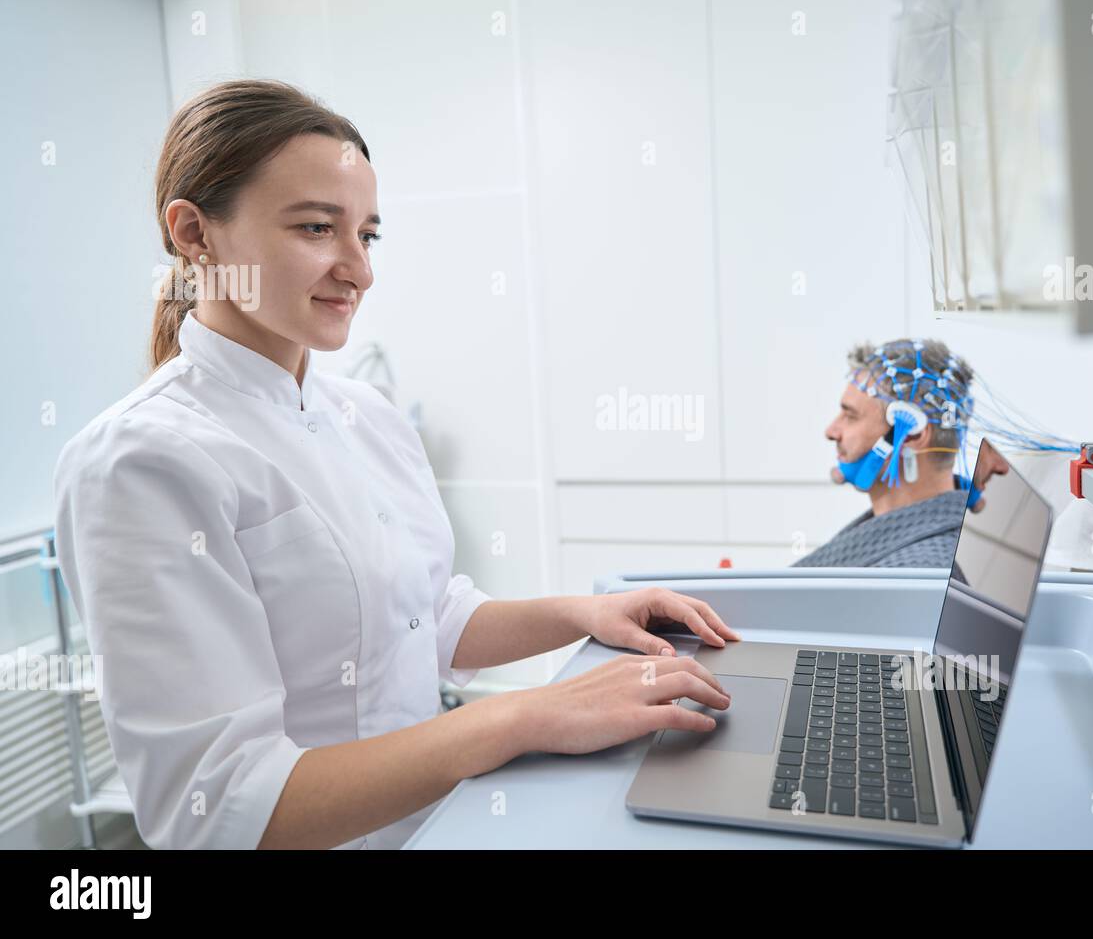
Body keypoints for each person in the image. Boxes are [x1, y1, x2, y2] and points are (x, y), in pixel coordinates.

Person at [52, 79, 739, 850]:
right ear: (193, 232)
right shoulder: (139, 464)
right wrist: (527, 717)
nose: (359, 269)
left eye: (367, 235)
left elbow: (425, 618)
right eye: (317, 228)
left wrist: (582, 615)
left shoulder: (365, 416)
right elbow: (219, 807)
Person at [794, 338, 1008, 570]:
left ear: (911, 436)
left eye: (851, 416)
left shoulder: (911, 573)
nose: (831, 431)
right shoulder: (932, 547)